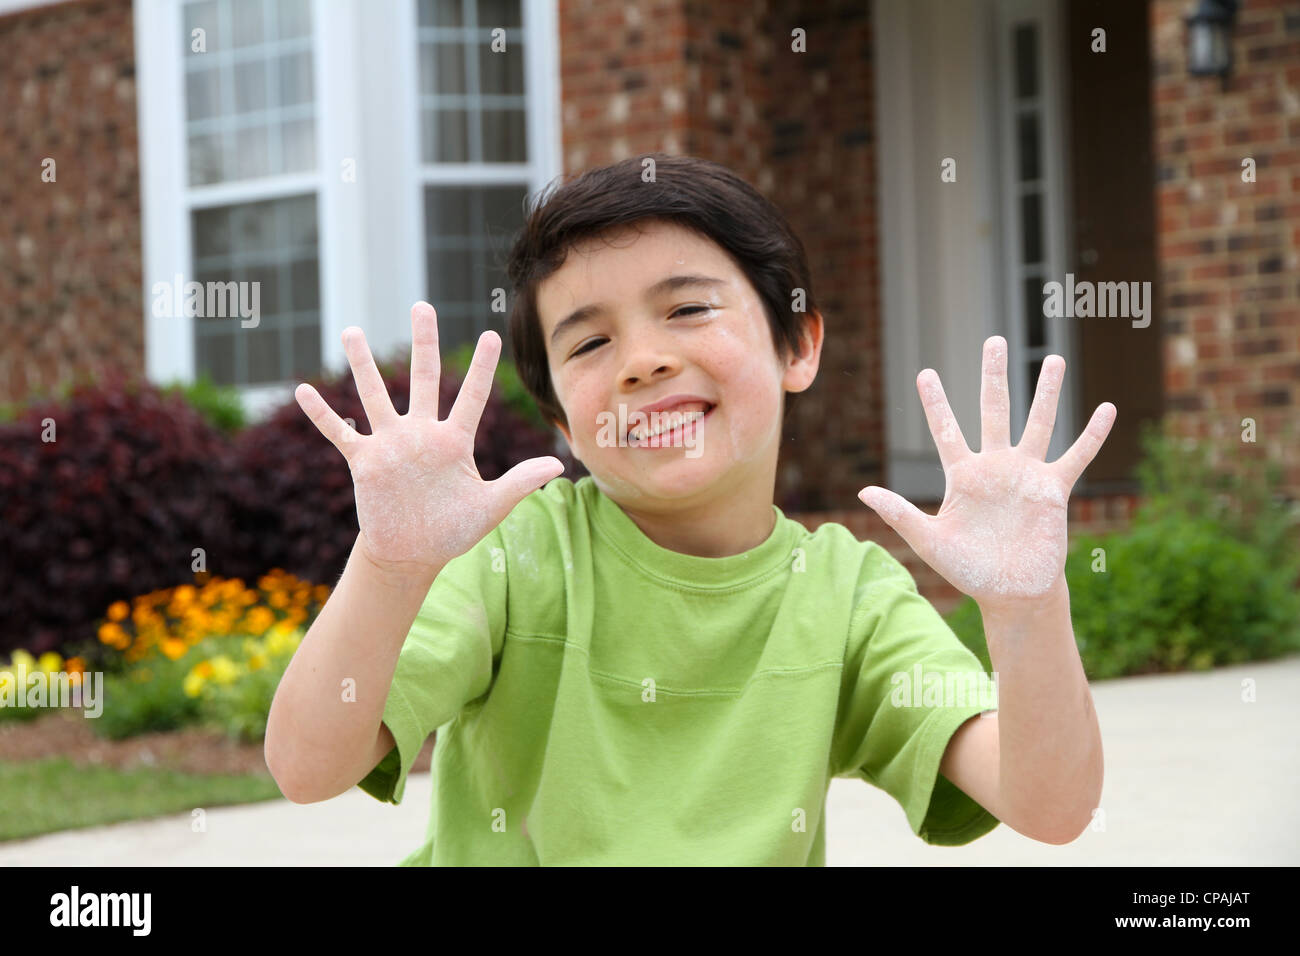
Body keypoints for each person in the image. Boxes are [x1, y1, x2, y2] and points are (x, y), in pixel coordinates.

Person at [264, 153, 1112, 865]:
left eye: (688, 308)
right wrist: (389, 566)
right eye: (590, 342)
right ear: (561, 418)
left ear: (799, 345)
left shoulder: (849, 597)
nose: (642, 361)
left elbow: (1050, 804)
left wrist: (1029, 607)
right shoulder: (519, 556)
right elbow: (307, 767)